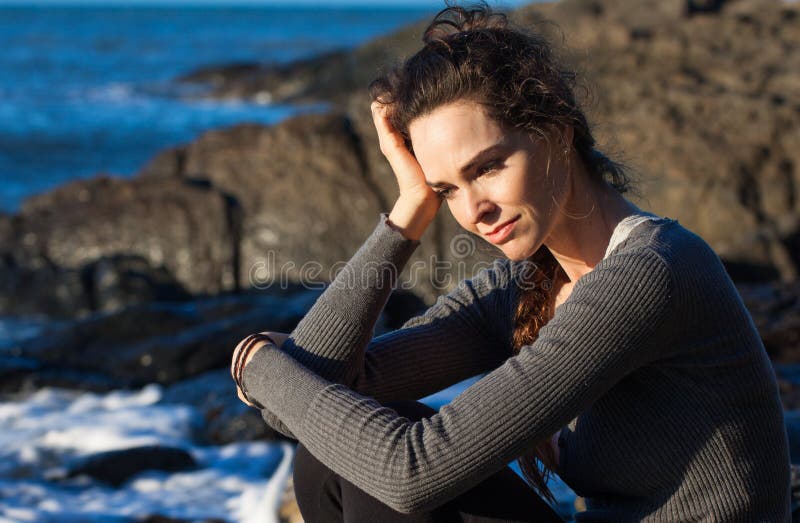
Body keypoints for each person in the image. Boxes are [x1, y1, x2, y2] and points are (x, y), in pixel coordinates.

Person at [230, 3, 791, 521]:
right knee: (329, 455)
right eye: (448, 189)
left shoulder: (651, 273)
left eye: (488, 167)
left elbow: (411, 474)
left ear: (556, 131)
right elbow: (319, 390)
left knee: (373, 460)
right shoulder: (528, 283)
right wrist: (408, 212)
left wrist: (255, 363)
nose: (474, 210)